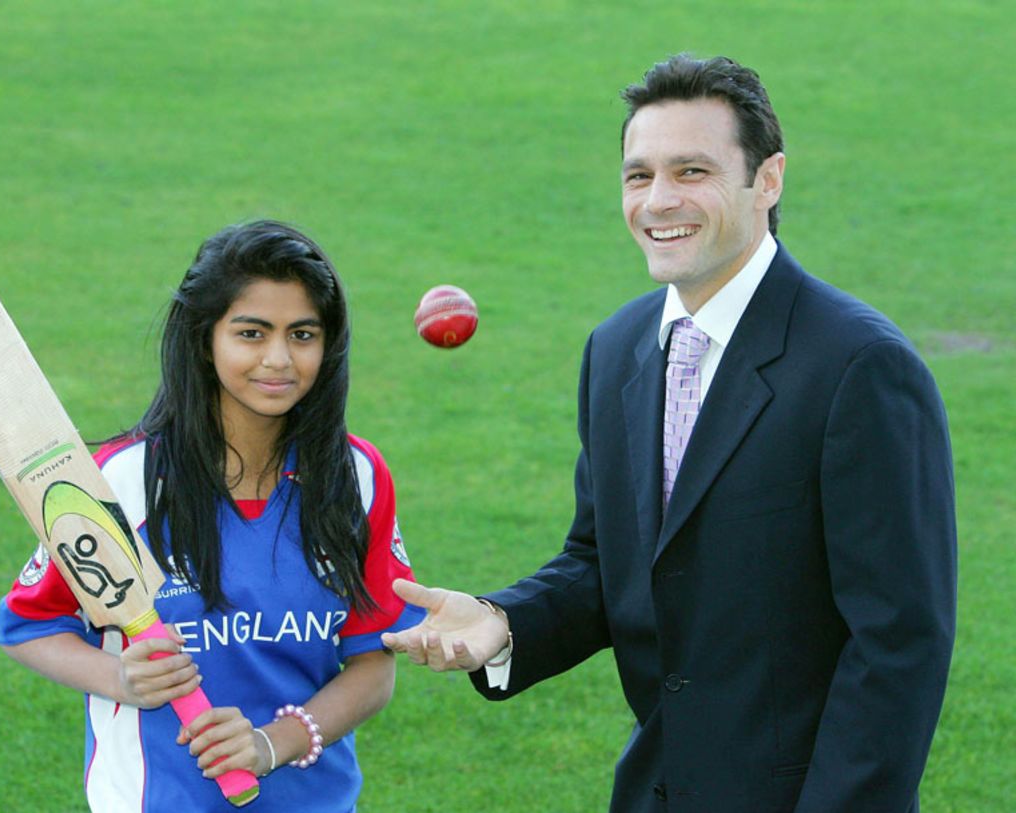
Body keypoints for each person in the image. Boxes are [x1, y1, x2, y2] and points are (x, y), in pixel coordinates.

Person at [382, 54, 956, 812]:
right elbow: (605, 561)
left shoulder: (861, 368)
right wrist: (502, 621)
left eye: (692, 171)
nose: (658, 200)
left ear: (769, 179)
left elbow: (897, 644)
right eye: (638, 174)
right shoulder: (617, 348)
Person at [0, 221, 424, 812]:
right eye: (251, 333)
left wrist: (270, 745)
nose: (278, 359)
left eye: (303, 334)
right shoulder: (119, 481)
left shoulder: (355, 476)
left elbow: (373, 663)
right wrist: (123, 680)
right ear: (206, 338)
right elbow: (29, 626)